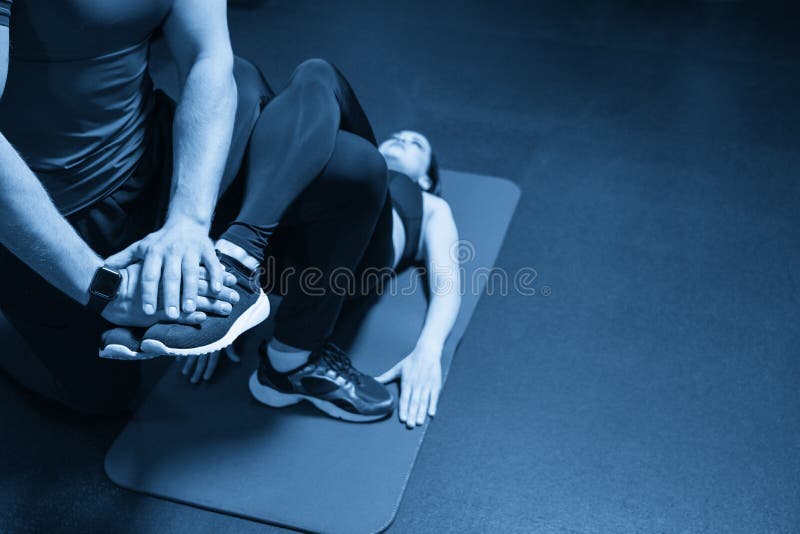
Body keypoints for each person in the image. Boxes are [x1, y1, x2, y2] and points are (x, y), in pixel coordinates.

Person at [0, 1, 394, 418]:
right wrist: (102, 290)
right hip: (41, 215)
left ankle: (275, 339)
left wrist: (188, 223)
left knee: (352, 168)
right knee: (104, 402)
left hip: (151, 162)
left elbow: (208, 57)